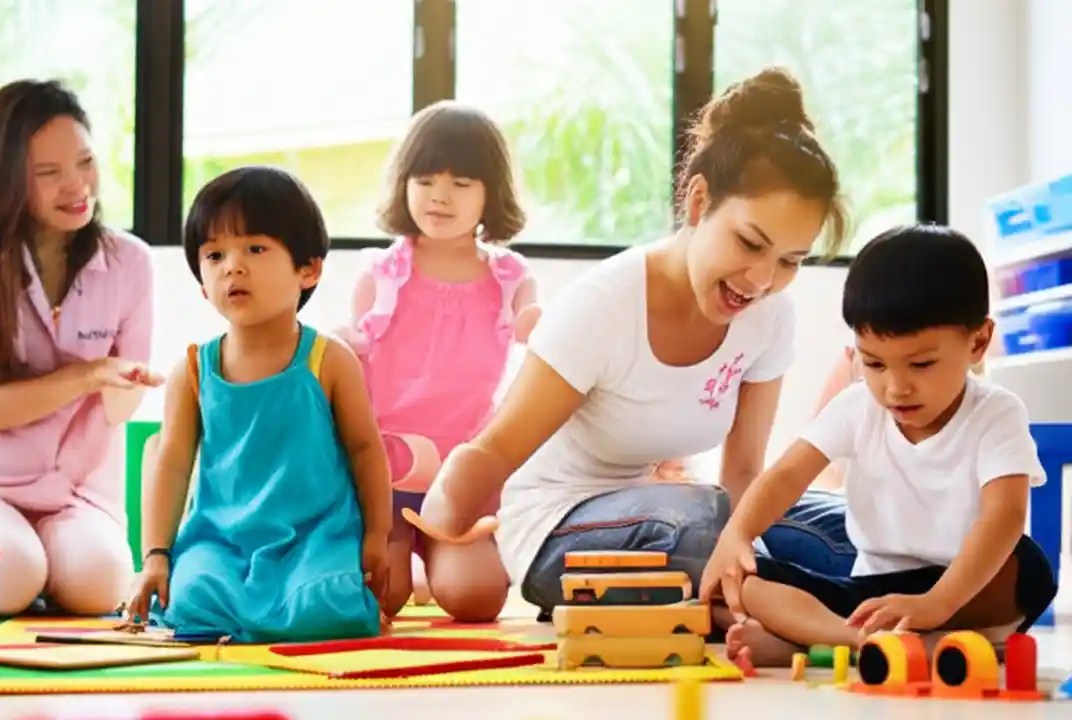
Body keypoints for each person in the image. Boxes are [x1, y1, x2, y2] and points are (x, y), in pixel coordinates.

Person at [411, 67, 851, 622]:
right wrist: (431, 532)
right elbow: (494, 451)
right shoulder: (603, 305)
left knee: (839, 529)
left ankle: (810, 604)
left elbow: (743, 476)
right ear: (697, 203)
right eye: (749, 243)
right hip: (558, 525)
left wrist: (760, 538)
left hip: (678, 511)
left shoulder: (770, 318)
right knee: (703, 526)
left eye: (790, 260)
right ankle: (807, 609)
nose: (762, 279)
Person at [701, 225, 1057, 666]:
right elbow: (788, 474)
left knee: (1029, 567)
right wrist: (737, 535)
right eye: (873, 364)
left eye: (921, 364)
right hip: (873, 594)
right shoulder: (857, 407)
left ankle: (811, 642)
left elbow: (1007, 514)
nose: (895, 388)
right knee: (740, 582)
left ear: (978, 342)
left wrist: (936, 604)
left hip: (965, 587)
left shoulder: (996, 413)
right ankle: (862, 646)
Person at [0, 80, 161, 616]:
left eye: (85, 162)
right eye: (48, 174)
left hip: (75, 493)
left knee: (101, 585)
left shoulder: (131, 261)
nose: (77, 186)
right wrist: (90, 374)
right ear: (5, 181)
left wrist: (126, 384)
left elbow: (121, 408)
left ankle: (45, 566)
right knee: (10, 575)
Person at [125, 166, 390, 643]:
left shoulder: (329, 360)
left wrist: (375, 537)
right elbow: (170, 465)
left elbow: (367, 450)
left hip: (313, 539)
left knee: (328, 603)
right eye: (215, 255)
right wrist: (156, 557)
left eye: (255, 248)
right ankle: (244, 614)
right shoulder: (193, 369)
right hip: (221, 542)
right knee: (190, 599)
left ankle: (263, 617)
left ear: (307, 268)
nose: (233, 266)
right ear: (204, 285)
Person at [341, 101, 540, 615]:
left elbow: (538, 342)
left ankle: (435, 557)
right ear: (404, 182)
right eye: (426, 179)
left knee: (475, 598)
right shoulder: (381, 274)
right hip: (385, 471)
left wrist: (539, 325)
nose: (440, 196)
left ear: (491, 194)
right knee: (377, 599)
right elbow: (351, 372)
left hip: (463, 475)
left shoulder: (511, 280)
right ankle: (404, 558)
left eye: (463, 182)